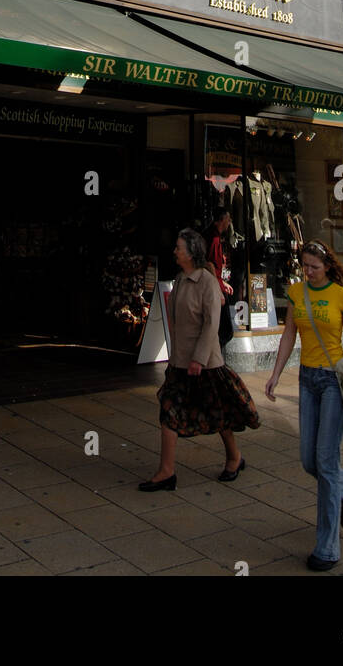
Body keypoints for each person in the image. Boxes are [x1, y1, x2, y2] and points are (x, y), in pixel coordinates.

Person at [265, 238, 343, 570]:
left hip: (333, 382)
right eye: (305, 267)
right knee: (308, 460)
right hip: (307, 380)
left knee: (325, 463)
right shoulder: (297, 293)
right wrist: (276, 374)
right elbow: (289, 335)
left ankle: (327, 547)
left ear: (327, 266)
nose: (309, 272)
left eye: (314, 267)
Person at [139, 228, 259, 491]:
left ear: (191, 252)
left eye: (179, 248)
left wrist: (199, 359)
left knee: (217, 412)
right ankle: (166, 471)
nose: (174, 251)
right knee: (168, 409)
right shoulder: (181, 279)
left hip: (205, 363)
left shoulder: (207, 281)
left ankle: (234, 457)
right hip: (180, 363)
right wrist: (175, 356)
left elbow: (211, 324)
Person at [206, 207, 235, 348]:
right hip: (214, 285)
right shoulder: (213, 238)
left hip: (217, 283)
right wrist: (218, 287)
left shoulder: (214, 236)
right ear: (221, 220)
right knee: (225, 330)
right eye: (228, 220)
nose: (229, 223)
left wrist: (222, 282)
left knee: (223, 329)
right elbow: (210, 264)